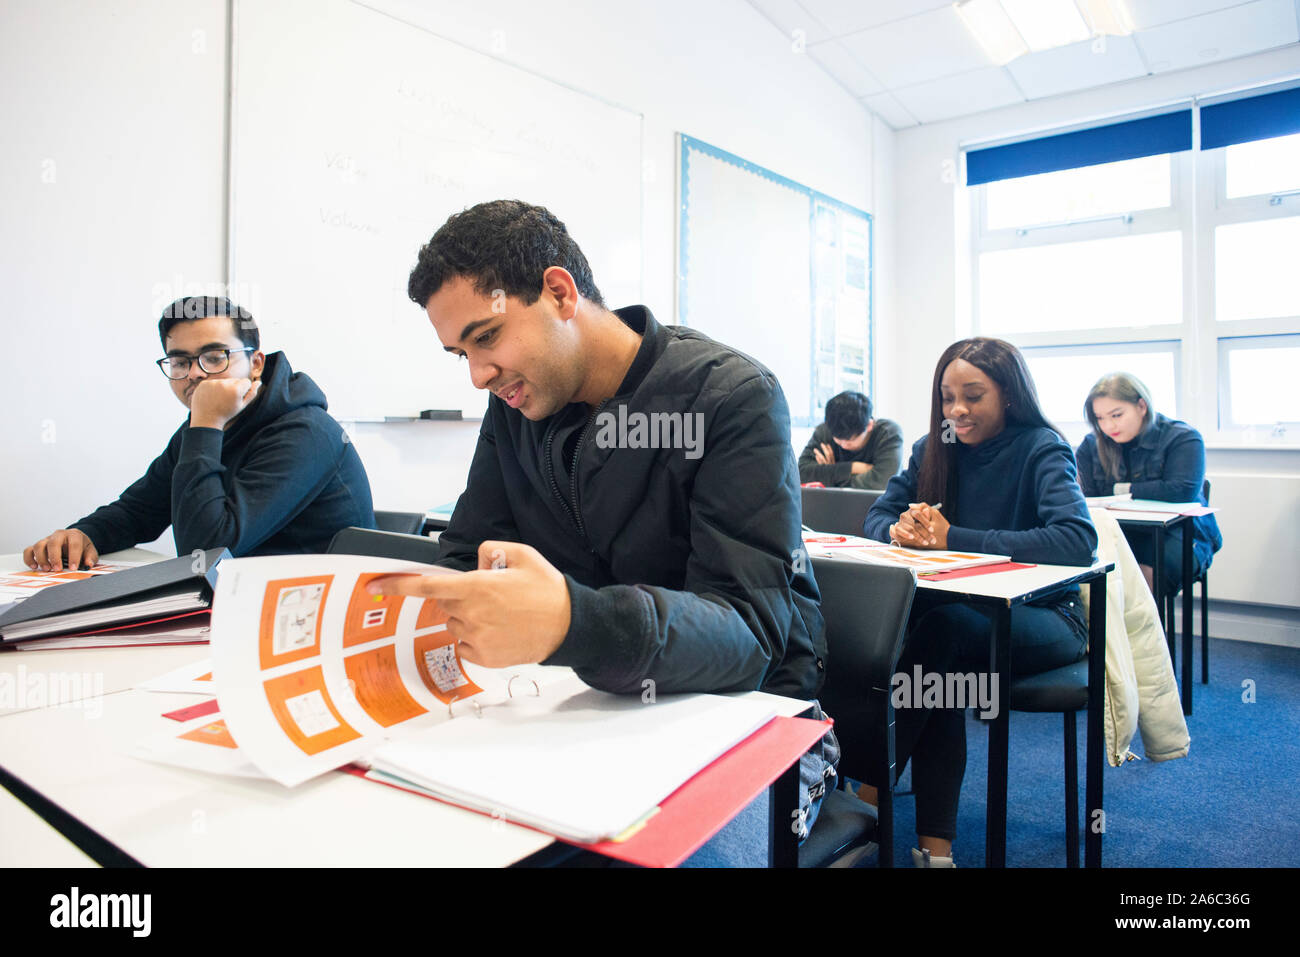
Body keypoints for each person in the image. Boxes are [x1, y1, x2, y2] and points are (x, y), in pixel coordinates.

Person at [368, 200, 836, 857]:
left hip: (752, 720)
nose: (478, 374)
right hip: (586, 714)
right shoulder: (514, 411)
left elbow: (748, 635)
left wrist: (574, 623)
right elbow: (469, 555)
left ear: (559, 292)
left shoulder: (730, 397)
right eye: (460, 354)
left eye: (487, 338)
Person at [860, 337, 1097, 867]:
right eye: (947, 397)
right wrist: (897, 527)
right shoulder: (932, 448)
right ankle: (934, 851)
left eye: (973, 396)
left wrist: (953, 538)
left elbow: (1075, 540)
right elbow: (875, 516)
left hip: (1045, 618)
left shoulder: (1041, 447)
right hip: (962, 622)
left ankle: (871, 783)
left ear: (1008, 396)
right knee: (939, 653)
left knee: (939, 634)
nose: (957, 410)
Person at [23, 297, 375, 570]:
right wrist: (83, 535)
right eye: (179, 362)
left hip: (314, 622)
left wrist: (206, 423)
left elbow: (205, 553)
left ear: (256, 364)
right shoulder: (206, 427)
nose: (195, 374)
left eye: (214, 356)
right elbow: (139, 511)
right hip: (241, 609)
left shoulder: (305, 432)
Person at [1075, 372, 1222, 598]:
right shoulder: (1091, 444)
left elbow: (1181, 491)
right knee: (1090, 571)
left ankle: (1143, 633)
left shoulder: (1183, 437)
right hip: (1122, 532)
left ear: (1141, 406)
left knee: (1140, 578)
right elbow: (1088, 497)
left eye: (1116, 415)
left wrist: (1117, 490)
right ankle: (1104, 634)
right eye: (1100, 418)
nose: (1108, 425)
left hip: (1180, 533)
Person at [798, 391, 903, 490]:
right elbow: (801, 475)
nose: (843, 445)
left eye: (850, 440)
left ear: (869, 425)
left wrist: (828, 474)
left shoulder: (888, 433)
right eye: (838, 440)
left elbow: (882, 483)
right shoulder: (826, 430)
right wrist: (853, 468)